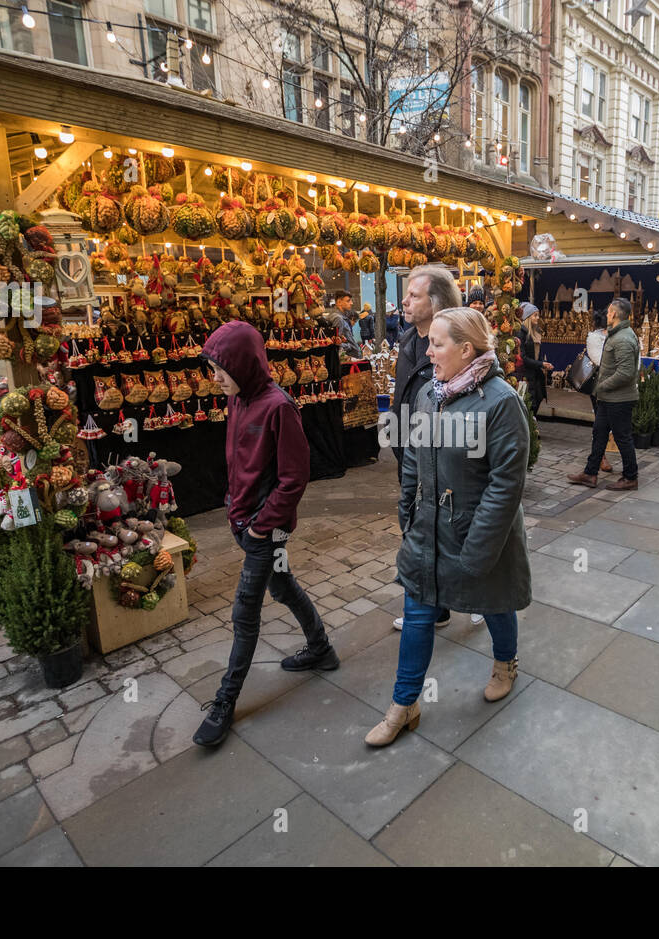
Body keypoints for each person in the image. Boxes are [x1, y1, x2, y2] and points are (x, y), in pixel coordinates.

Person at [367, 307, 531, 746]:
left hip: (481, 530)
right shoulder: (429, 394)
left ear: (466, 348)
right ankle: (404, 705)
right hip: (429, 527)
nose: (427, 350)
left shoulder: (501, 401)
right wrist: (407, 507)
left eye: (437, 343)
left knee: (495, 601)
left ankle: (505, 662)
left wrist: (479, 548)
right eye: (428, 342)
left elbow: (506, 483)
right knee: (418, 611)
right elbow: (414, 458)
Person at [192, 321, 340, 749]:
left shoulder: (279, 407)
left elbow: (294, 478)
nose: (214, 377)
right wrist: (234, 505)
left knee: (244, 614)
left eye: (220, 368)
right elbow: (243, 463)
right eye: (212, 368)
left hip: (264, 533)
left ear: (241, 364)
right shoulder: (238, 401)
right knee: (285, 587)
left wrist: (261, 525)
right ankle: (321, 649)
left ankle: (225, 701)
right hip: (244, 523)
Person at [391, 264, 478, 631]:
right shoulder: (410, 340)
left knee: (460, 533)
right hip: (412, 455)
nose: (404, 301)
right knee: (420, 535)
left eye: (414, 295)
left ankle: (483, 598)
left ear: (436, 302)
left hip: (448, 460)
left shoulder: (457, 344)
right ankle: (434, 608)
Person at [568, 297, 639, 490]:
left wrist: (601, 386)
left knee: (622, 437)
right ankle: (590, 474)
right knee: (599, 433)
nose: (606, 314)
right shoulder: (618, 334)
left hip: (619, 399)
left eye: (608, 311)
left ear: (614, 314)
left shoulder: (623, 338)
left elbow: (625, 373)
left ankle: (630, 477)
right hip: (609, 398)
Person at [585, 309, 611, 472]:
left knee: (611, 425)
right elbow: (599, 360)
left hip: (614, 386)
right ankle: (600, 458)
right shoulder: (594, 338)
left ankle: (597, 460)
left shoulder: (615, 337)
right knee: (601, 424)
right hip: (600, 386)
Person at [516, 302, 552, 415]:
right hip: (526, 376)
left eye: (538, 315)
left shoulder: (535, 333)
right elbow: (523, 357)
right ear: (527, 316)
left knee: (536, 401)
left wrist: (542, 363)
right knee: (529, 406)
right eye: (535, 315)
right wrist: (541, 364)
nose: (538, 317)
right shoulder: (521, 333)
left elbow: (536, 355)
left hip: (535, 375)